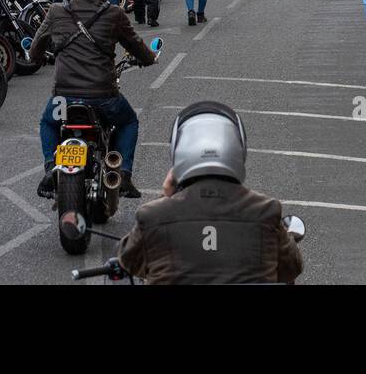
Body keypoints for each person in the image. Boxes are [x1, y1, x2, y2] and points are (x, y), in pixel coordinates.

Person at [116, 102, 304, 284]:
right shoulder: (266, 211)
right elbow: (291, 268)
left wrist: (166, 197)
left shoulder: (153, 216)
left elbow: (129, 261)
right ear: (237, 150)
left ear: (179, 151)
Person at [32, 0, 154, 201]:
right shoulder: (114, 13)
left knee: (48, 123)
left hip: (63, 97)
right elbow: (138, 48)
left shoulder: (56, 11)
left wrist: (41, 57)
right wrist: (149, 58)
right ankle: (124, 175)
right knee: (129, 122)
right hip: (103, 95)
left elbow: (35, 50)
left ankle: (49, 169)